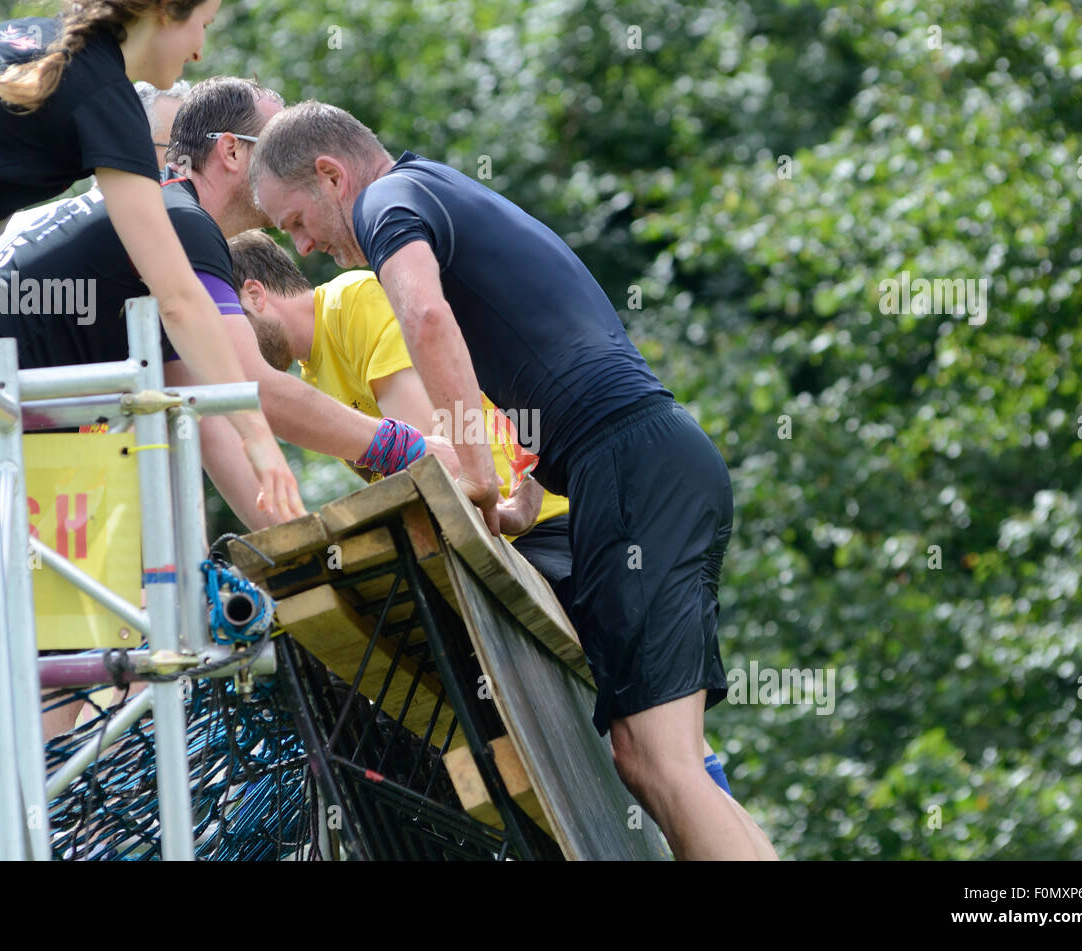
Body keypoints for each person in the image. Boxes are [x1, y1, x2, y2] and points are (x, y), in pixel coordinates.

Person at [250, 101, 777, 860]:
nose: (301, 246)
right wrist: (524, 481)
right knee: (655, 761)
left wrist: (470, 466)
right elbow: (534, 345)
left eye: (296, 221)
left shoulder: (389, 204)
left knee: (662, 763)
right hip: (635, 464)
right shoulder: (441, 191)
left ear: (332, 175)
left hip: (632, 468)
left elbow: (426, 319)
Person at [0, 0, 301, 523]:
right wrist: (256, 435)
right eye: (204, 25)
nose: (200, 49)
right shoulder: (104, 93)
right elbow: (177, 297)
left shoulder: (42, 40)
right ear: (167, 13)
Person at [0, 77, 455, 533]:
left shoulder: (163, 212)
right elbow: (249, 388)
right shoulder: (184, 221)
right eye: (280, 146)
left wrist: (299, 545)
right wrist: (403, 447)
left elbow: (212, 417)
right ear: (230, 151)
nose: (300, 163)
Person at [228, 228, 578, 606]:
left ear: (255, 294)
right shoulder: (312, 374)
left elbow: (436, 459)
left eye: (230, 327)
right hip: (479, 540)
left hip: (531, 529)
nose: (229, 349)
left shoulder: (350, 301)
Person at [0, 79, 190, 285]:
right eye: (176, 148)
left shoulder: (22, 226)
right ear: (127, 148)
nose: (188, 162)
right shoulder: (12, 232)